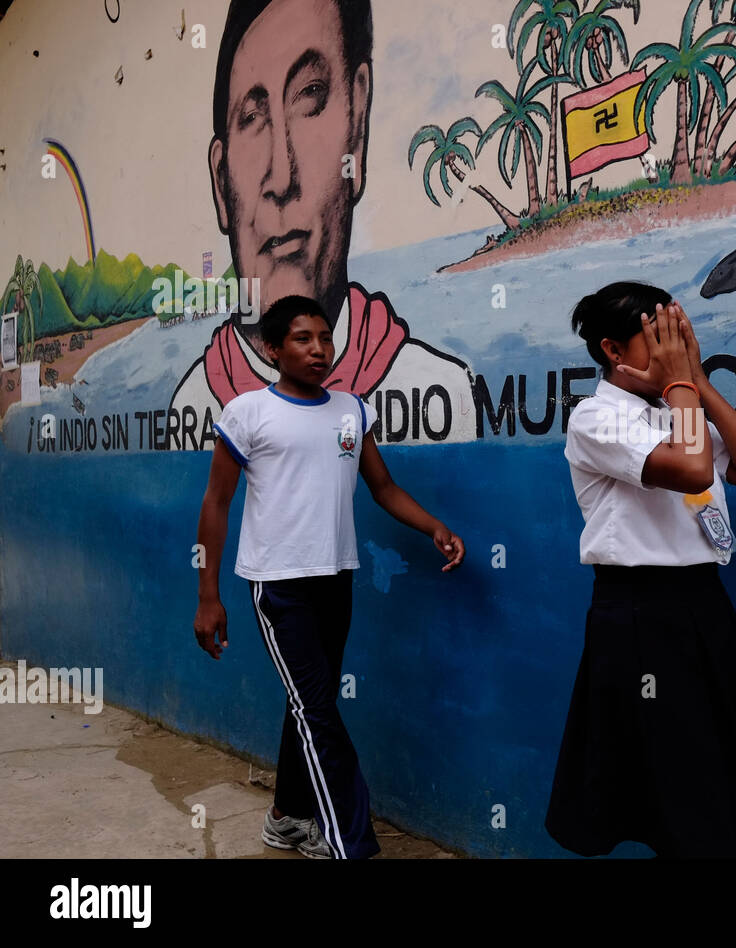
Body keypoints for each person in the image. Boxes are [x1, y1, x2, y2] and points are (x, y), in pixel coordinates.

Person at [192, 294, 466, 859]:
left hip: (335, 578)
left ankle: (286, 816)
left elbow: (383, 487)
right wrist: (208, 595)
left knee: (308, 706)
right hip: (277, 585)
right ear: (272, 349)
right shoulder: (248, 413)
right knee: (319, 710)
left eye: (325, 337)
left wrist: (432, 526)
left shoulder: (351, 409)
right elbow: (216, 503)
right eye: (302, 339)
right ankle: (351, 845)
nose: (319, 349)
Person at [545, 282, 736, 858]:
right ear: (613, 350)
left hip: (703, 605)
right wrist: (683, 388)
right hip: (640, 616)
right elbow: (691, 471)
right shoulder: (595, 418)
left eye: (679, 335)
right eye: (658, 337)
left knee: (730, 788)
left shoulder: (680, 407)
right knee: (679, 795)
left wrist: (698, 383)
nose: (675, 349)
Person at [169, 0, 476, 446]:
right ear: (221, 184)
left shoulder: (435, 392)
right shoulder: (197, 410)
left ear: (358, 125)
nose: (281, 176)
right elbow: (213, 509)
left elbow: (383, 488)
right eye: (252, 118)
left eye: (309, 96)